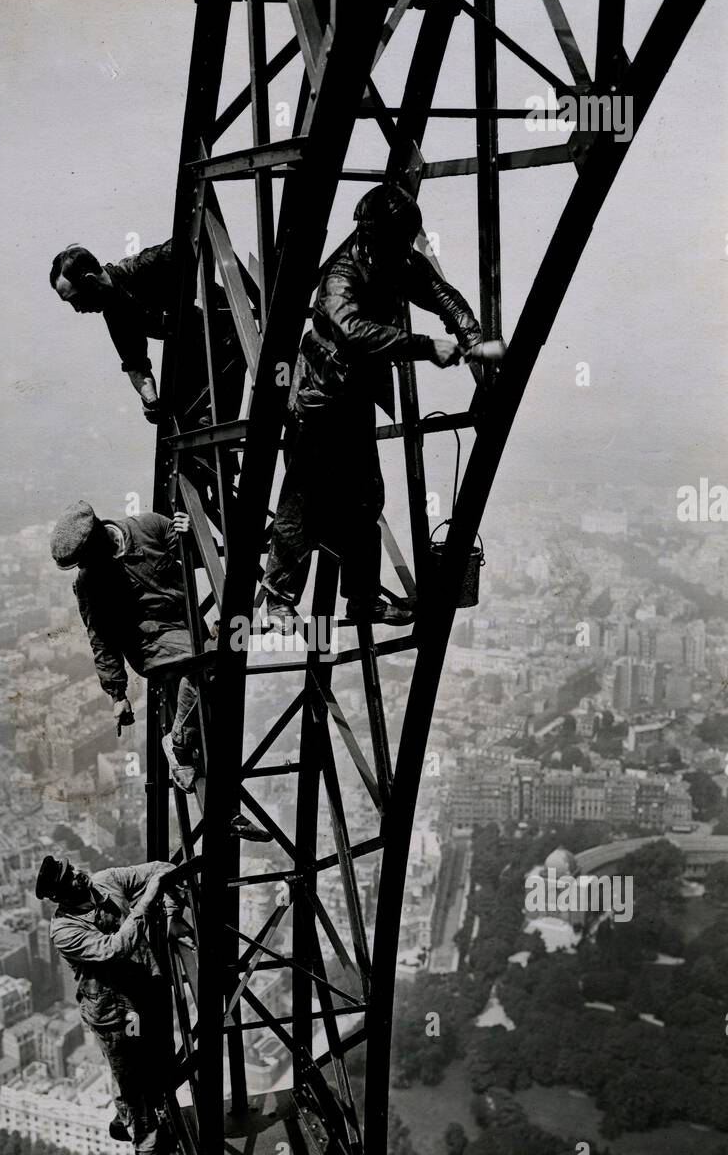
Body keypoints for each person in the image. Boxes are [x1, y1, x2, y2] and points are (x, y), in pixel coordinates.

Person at [262, 182, 485, 629]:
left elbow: (440, 293)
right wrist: (427, 347)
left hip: (353, 398)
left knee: (366, 500)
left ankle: (362, 599)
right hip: (320, 400)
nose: (405, 251)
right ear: (376, 236)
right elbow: (353, 333)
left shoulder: (393, 259)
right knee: (302, 500)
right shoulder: (341, 276)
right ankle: (277, 599)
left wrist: (470, 334)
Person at [50, 498, 270, 841]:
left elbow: (194, 558)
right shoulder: (90, 581)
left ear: (97, 537)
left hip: (186, 627)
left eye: (85, 558)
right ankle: (185, 750)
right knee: (212, 663)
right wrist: (117, 694)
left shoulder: (148, 526)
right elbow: (102, 637)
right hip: (149, 645)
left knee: (213, 681)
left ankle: (212, 789)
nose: (85, 566)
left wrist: (191, 535)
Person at [37, 854, 189, 1155]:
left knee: (155, 1060)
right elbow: (115, 948)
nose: (79, 874)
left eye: (74, 868)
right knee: (130, 1076)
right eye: (70, 878)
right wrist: (148, 899)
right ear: (59, 896)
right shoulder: (64, 930)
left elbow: (163, 870)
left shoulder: (105, 881)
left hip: (144, 989)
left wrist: (173, 914)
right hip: (112, 1010)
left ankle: (127, 1117)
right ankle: (145, 1145)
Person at [49, 239, 244, 433]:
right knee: (191, 430)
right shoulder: (115, 315)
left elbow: (196, 237)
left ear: (90, 280)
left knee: (207, 426)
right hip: (194, 352)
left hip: (230, 329)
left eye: (75, 300)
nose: (77, 310)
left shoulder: (143, 267)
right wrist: (151, 400)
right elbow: (136, 367)